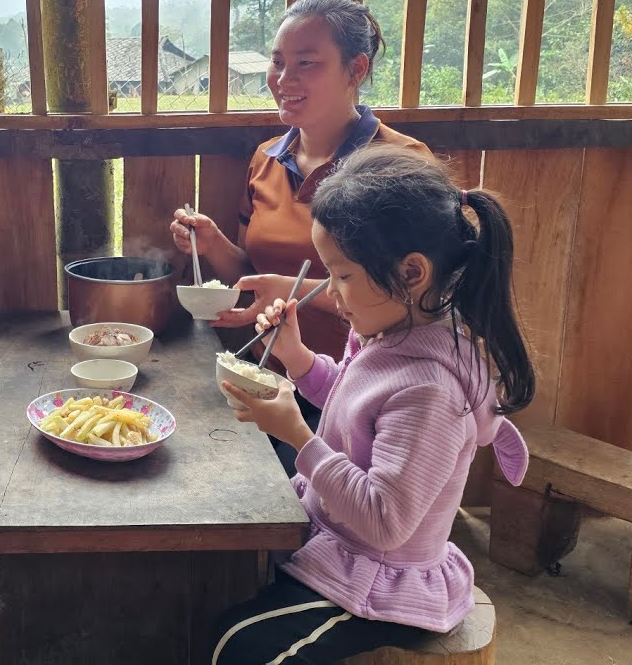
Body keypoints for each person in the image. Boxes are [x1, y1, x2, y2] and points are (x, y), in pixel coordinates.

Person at [211, 145, 532, 664]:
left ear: (411, 273)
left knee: (239, 644)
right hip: (334, 538)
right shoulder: (394, 328)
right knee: (213, 574)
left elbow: (384, 520)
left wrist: (300, 437)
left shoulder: (431, 389)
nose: (330, 292)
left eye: (342, 275)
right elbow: (351, 400)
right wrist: (295, 358)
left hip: (375, 582)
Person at [170, 0, 432, 462]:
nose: (283, 80)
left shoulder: (400, 164)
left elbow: (414, 299)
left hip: (360, 396)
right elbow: (254, 271)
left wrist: (290, 292)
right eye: (277, 63)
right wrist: (213, 245)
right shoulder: (266, 158)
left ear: (356, 69)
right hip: (262, 380)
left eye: (306, 63)